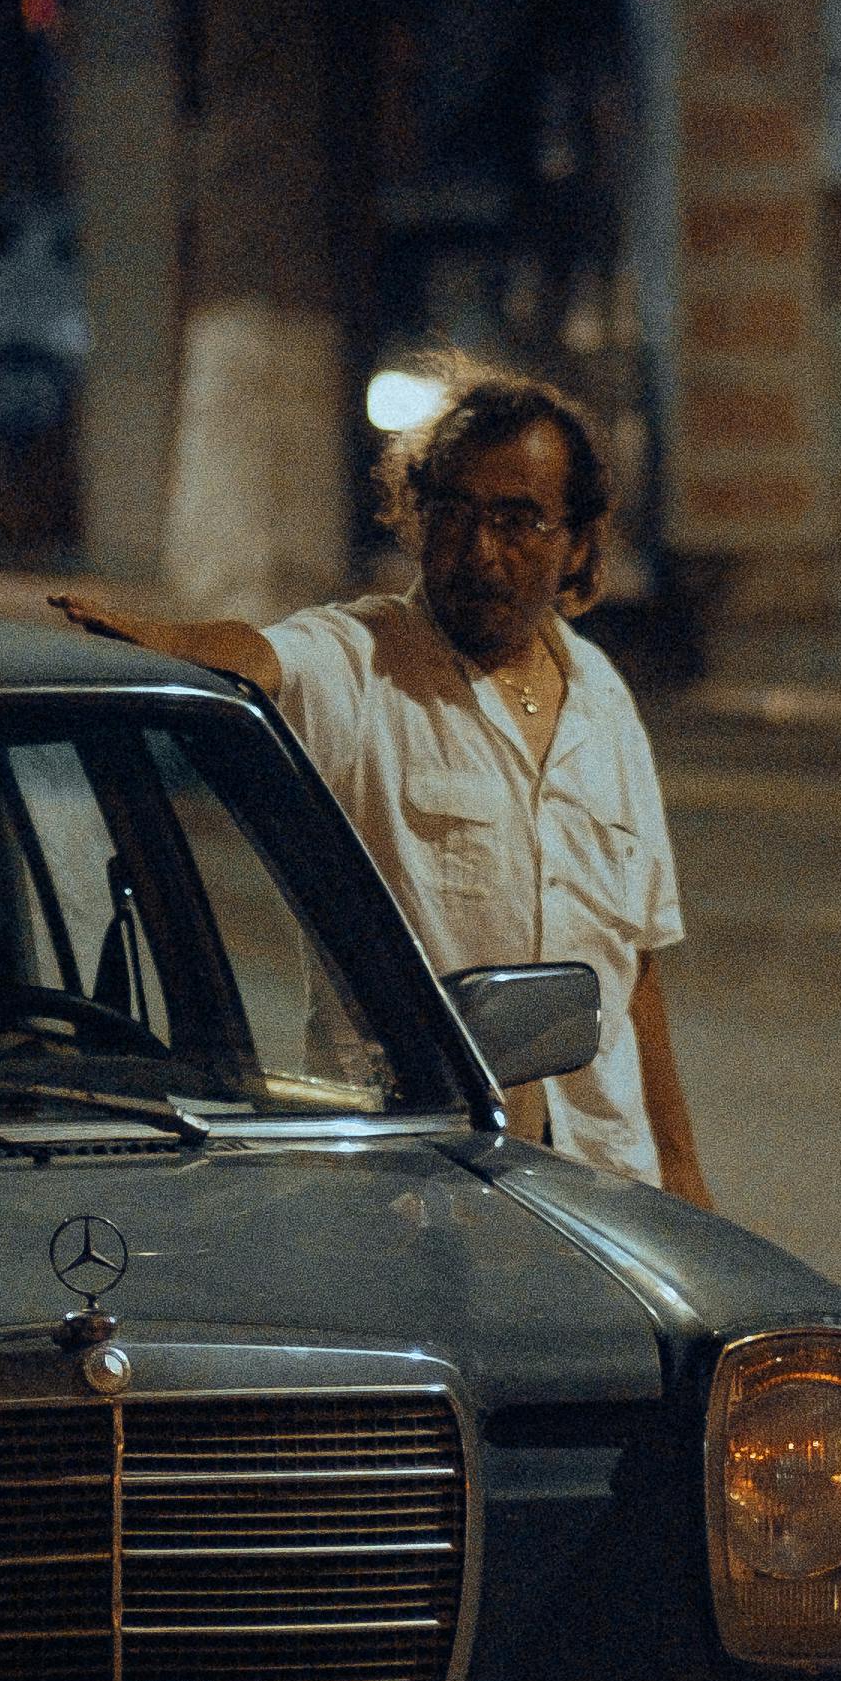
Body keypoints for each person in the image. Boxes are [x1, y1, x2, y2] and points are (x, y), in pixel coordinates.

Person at [51, 371, 708, 1201]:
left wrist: (681, 1170)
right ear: (416, 514)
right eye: (455, 513)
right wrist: (159, 636)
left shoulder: (604, 697)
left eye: (517, 521)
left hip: (605, 1182)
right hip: (419, 1185)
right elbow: (268, 657)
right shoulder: (363, 661)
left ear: (577, 543)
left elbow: (637, 964)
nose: (480, 552)